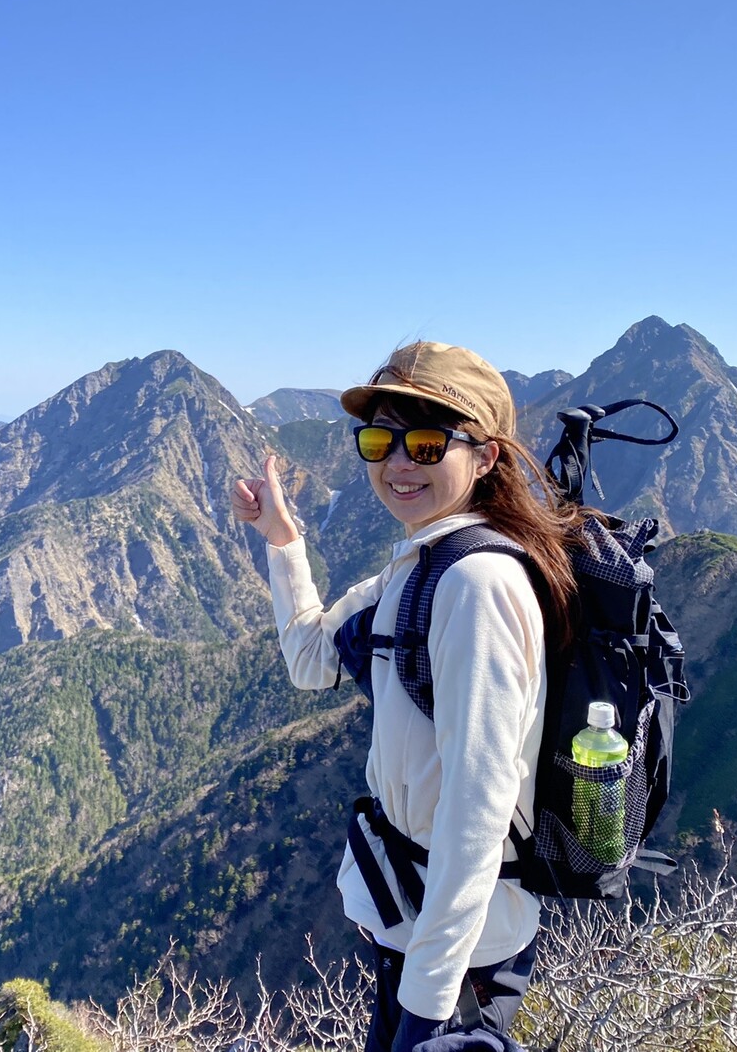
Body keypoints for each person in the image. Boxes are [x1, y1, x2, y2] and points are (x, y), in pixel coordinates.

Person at [231, 341, 583, 1052]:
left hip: (458, 963)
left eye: (426, 443)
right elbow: (310, 660)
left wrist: (424, 1008)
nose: (396, 462)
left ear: (485, 456)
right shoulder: (419, 563)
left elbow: (475, 815)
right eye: (379, 439)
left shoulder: (475, 586)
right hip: (414, 932)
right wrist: (282, 537)